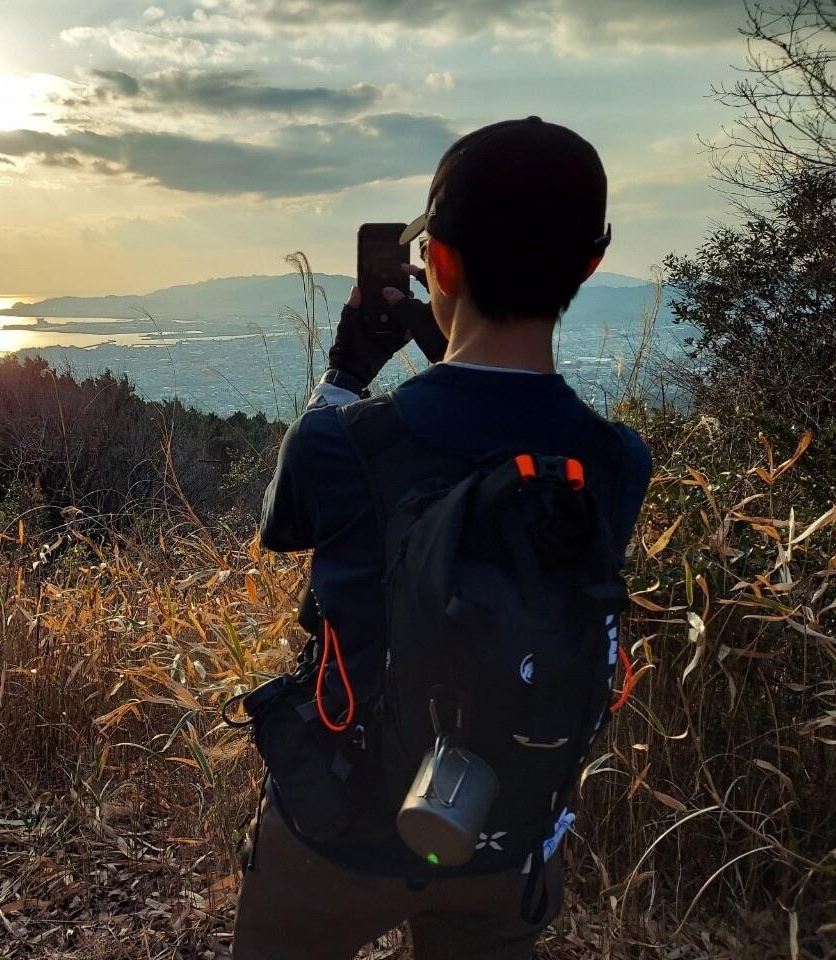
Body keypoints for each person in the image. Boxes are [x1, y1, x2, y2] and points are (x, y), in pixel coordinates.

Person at [232, 117, 652, 960]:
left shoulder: (344, 439)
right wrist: (440, 338)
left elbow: (280, 524)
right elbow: (494, 429)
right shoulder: (615, 463)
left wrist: (348, 373)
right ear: (592, 261)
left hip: (337, 832)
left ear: (440, 262)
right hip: (507, 829)